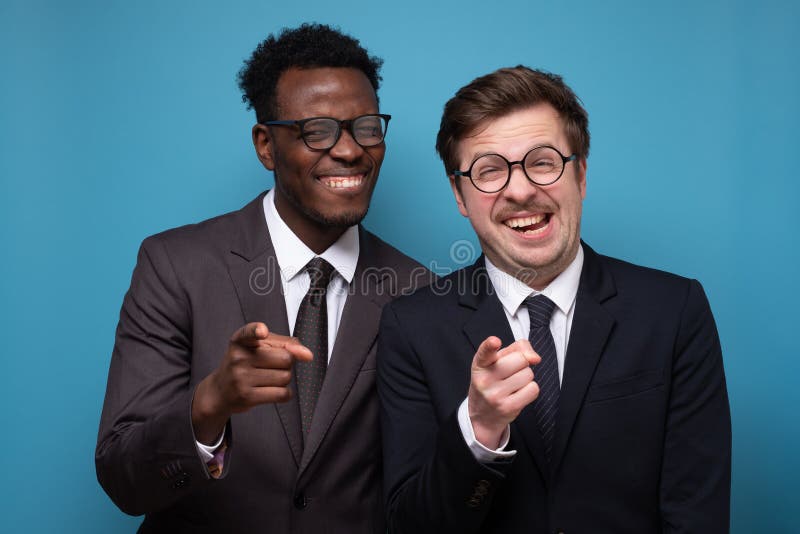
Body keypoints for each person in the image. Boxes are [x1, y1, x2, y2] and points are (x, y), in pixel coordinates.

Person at [96, 23, 426, 533]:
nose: (350, 150)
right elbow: (123, 479)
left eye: (366, 126)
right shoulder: (174, 264)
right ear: (266, 146)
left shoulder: (418, 289)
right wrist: (209, 405)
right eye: (317, 129)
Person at [378, 66, 731, 533]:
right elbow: (410, 526)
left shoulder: (674, 310)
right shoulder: (411, 328)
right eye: (489, 171)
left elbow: (696, 516)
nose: (521, 190)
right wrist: (478, 431)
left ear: (580, 173)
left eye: (542, 161)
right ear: (459, 195)